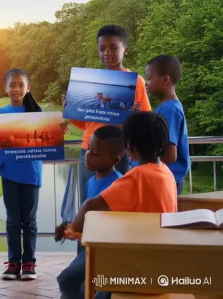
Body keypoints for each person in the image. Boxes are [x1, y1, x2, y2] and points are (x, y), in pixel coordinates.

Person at [56, 111, 178, 299]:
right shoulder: (166, 174)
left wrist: (72, 229)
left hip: (137, 268)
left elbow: (90, 205)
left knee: (71, 281)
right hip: (163, 268)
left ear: (132, 146)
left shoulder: (137, 176)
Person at [0, 69, 68, 281]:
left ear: (28, 88)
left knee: (29, 221)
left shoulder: (37, 111)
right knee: (13, 220)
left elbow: (49, 138)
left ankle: (29, 264)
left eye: (20, 85)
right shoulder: (0, 114)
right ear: (5, 88)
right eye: (12, 85)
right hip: (9, 173)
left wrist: (60, 131)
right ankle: (13, 263)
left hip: (31, 174)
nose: (16, 89)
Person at [65, 25, 151, 206]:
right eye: (102, 48)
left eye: (113, 48)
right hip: (89, 148)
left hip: (118, 151)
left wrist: (135, 117)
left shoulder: (136, 81)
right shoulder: (90, 81)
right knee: (87, 203)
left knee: (114, 205)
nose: (107, 53)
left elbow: (146, 120)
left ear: (125, 50)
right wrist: (71, 109)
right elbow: (86, 123)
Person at [56, 125, 125, 298]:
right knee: (67, 282)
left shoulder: (117, 185)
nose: (87, 155)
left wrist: (76, 232)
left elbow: (110, 230)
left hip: (105, 251)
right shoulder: (91, 182)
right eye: (88, 149)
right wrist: (71, 229)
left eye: (95, 153)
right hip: (91, 247)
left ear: (115, 160)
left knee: (67, 280)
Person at [144, 55, 190, 194]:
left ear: (165, 79)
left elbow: (170, 155)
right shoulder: (169, 107)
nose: (146, 83)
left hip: (166, 179)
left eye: (150, 78)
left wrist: (142, 160)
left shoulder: (169, 109)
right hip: (167, 178)